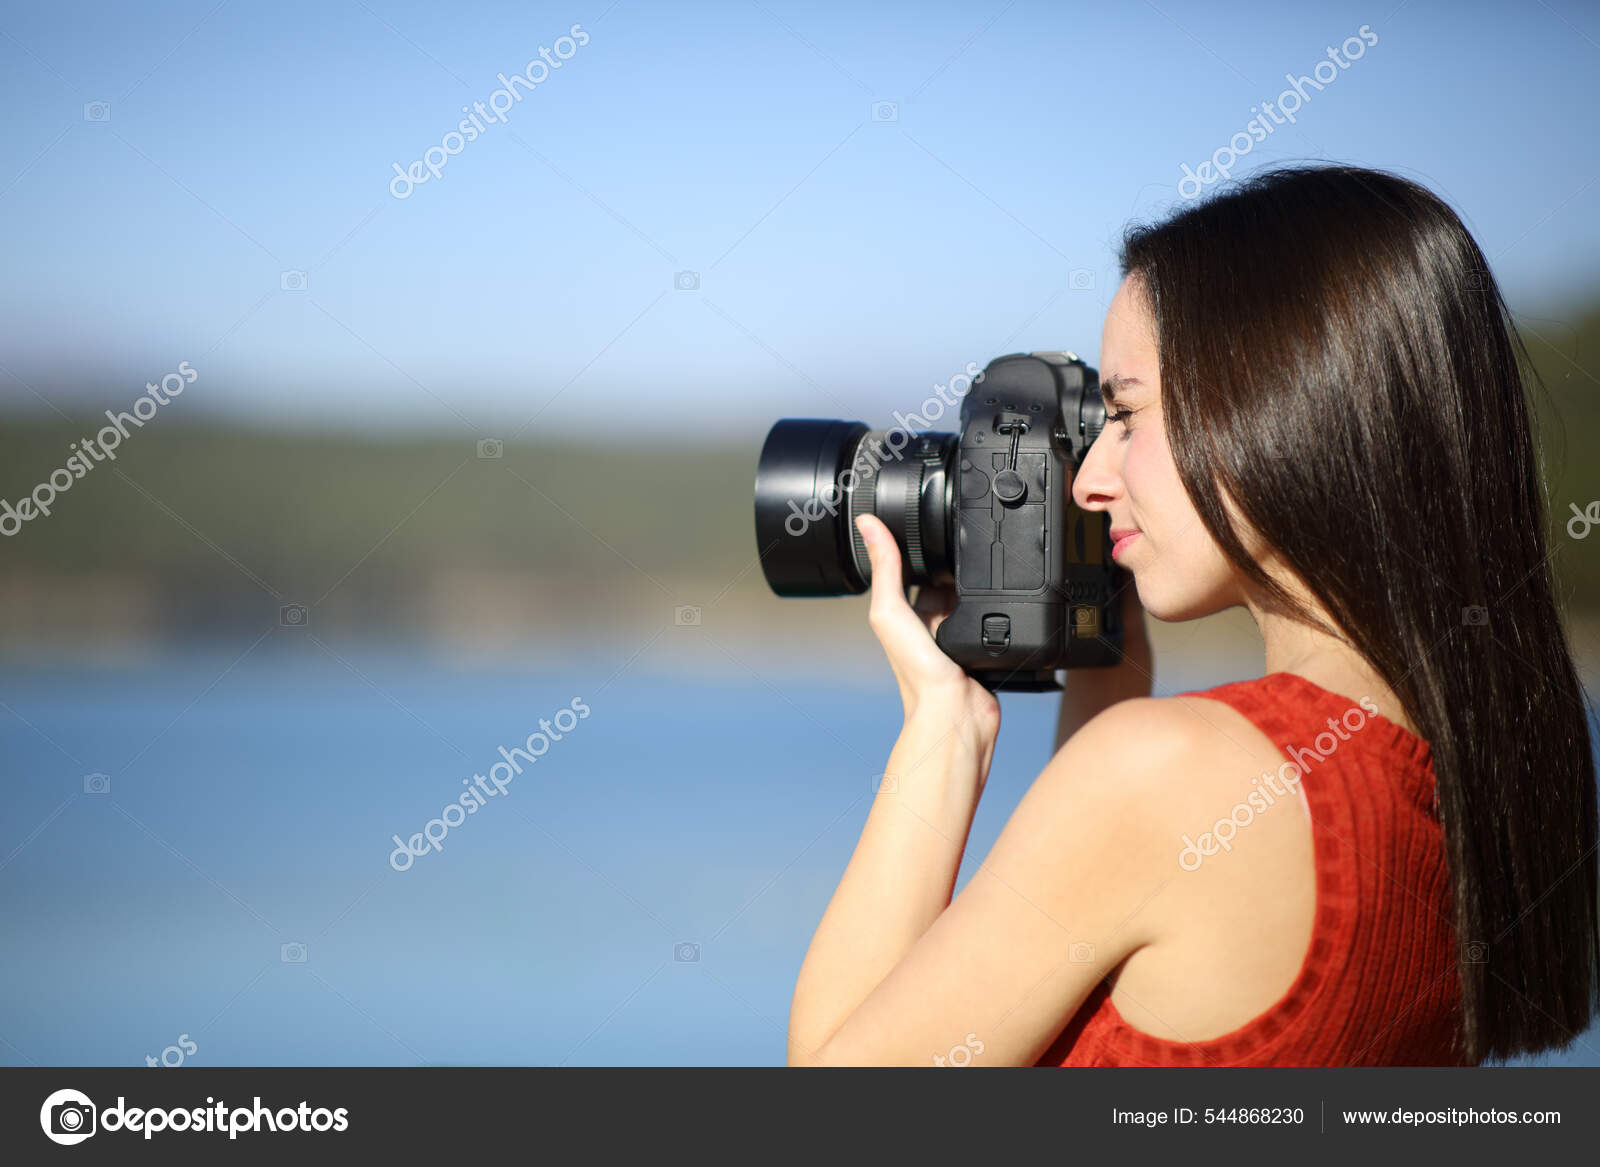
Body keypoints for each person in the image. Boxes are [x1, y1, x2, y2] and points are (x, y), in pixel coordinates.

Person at [786, 164, 1598, 1067]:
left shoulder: (1170, 776)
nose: (1089, 481)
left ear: (1274, 403)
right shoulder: (1472, 777)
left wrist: (946, 726)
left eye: (1127, 416)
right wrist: (1105, 661)